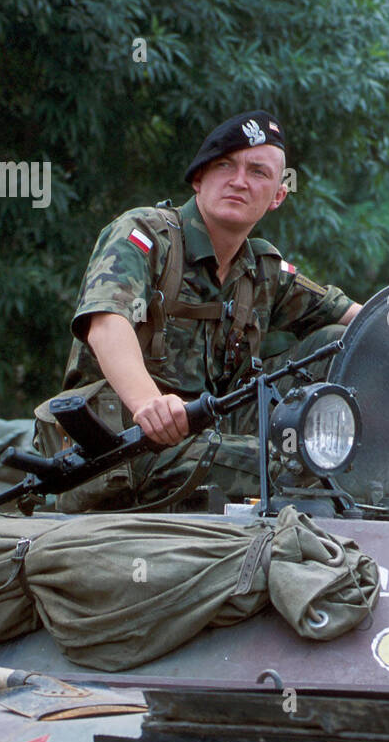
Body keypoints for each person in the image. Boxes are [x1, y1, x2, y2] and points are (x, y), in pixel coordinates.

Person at [39, 110, 361, 510]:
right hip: (123, 443)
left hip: (211, 436)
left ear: (278, 195)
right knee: (290, 464)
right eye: (225, 165)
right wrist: (147, 405)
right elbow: (106, 324)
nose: (240, 181)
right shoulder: (146, 235)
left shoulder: (262, 271)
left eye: (258, 172)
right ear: (198, 179)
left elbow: (365, 321)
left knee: (342, 345)